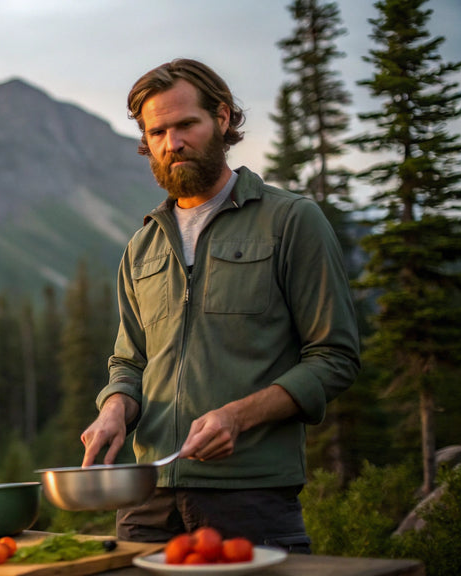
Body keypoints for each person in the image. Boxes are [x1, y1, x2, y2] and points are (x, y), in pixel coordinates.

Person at [79, 59, 361, 552]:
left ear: (223, 119)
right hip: (147, 498)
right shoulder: (141, 248)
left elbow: (334, 358)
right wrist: (115, 408)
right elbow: (129, 362)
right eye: (158, 131)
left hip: (251, 497)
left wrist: (239, 416)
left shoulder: (292, 221)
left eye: (187, 123)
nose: (174, 143)